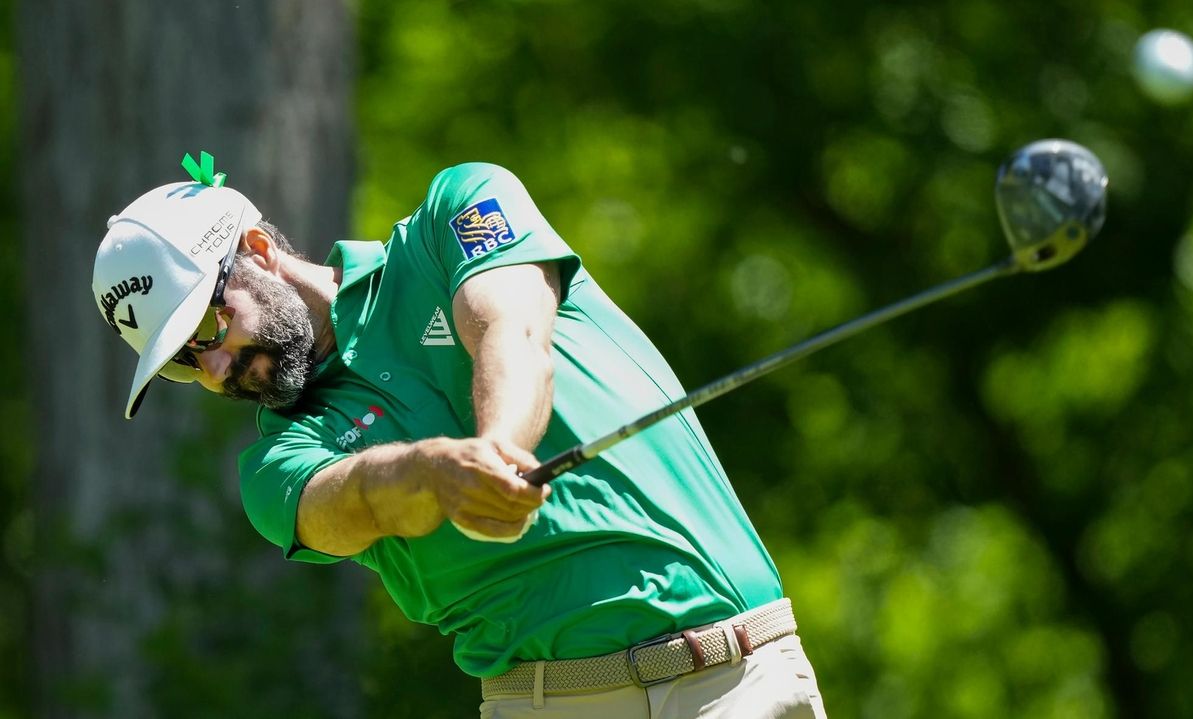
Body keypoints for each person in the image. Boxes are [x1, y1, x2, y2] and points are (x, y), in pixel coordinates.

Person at [92, 151, 827, 718]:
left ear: (255, 247)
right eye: (185, 363)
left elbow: (511, 326)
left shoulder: (456, 211)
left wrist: (499, 445)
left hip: (741, 682)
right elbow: (359, 502)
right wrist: (437, 471)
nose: (217, 366)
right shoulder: (274, 462)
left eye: (207, 326)